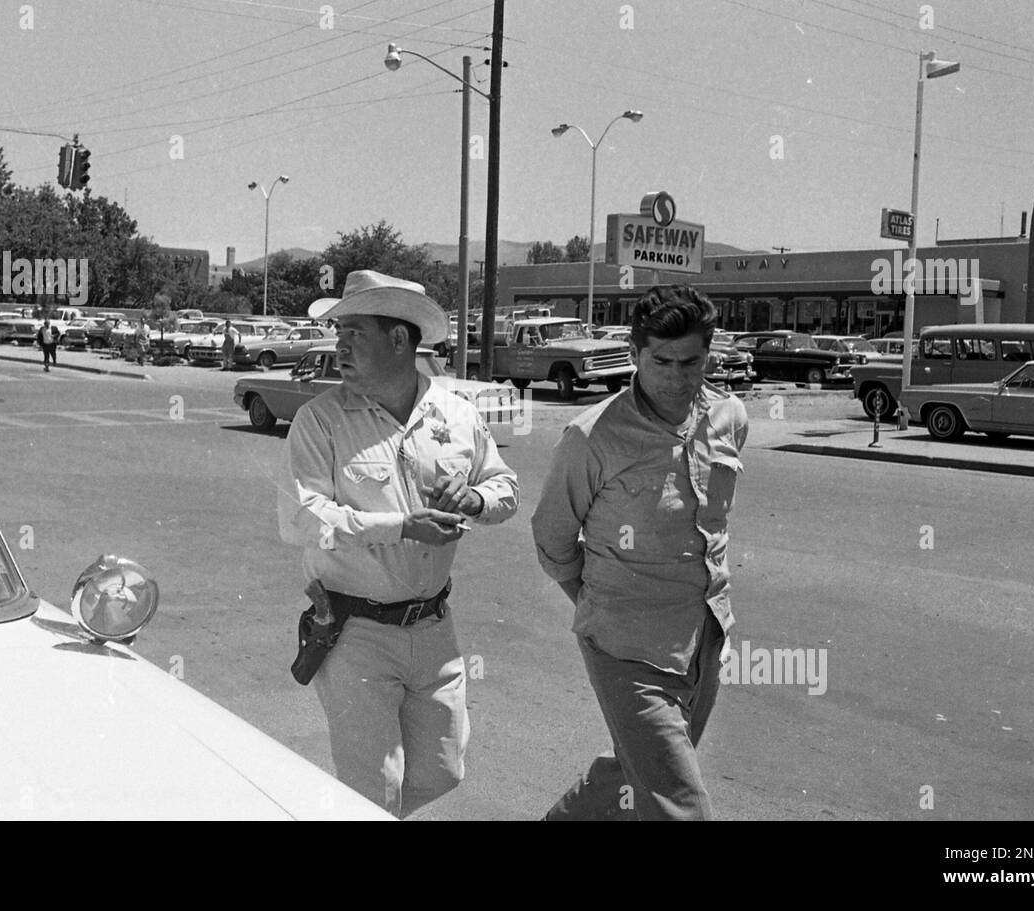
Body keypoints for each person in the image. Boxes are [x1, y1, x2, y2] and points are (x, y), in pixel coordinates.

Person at [277, 270, 519, 818]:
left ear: (399, 340)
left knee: (443, 769)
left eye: (354, 331)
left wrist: (475, 499)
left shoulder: (455, 413)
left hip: (435, 629)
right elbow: (300, 518)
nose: (339, 343)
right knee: (372, 788)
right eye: (338, 331)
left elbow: (506, 487)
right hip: (354, 630)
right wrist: (401, 526)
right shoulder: (321, 421)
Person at [531, 284, 749, 821]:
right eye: (662, 361)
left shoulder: (729, 417)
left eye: (691, 362)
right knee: (678, 804)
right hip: (625, 646)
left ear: (709, 354)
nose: (677, 378)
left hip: (703, 636)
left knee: (634, 774)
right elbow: (553, 538)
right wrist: (603, 600)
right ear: (634, 356)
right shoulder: (592, 437)